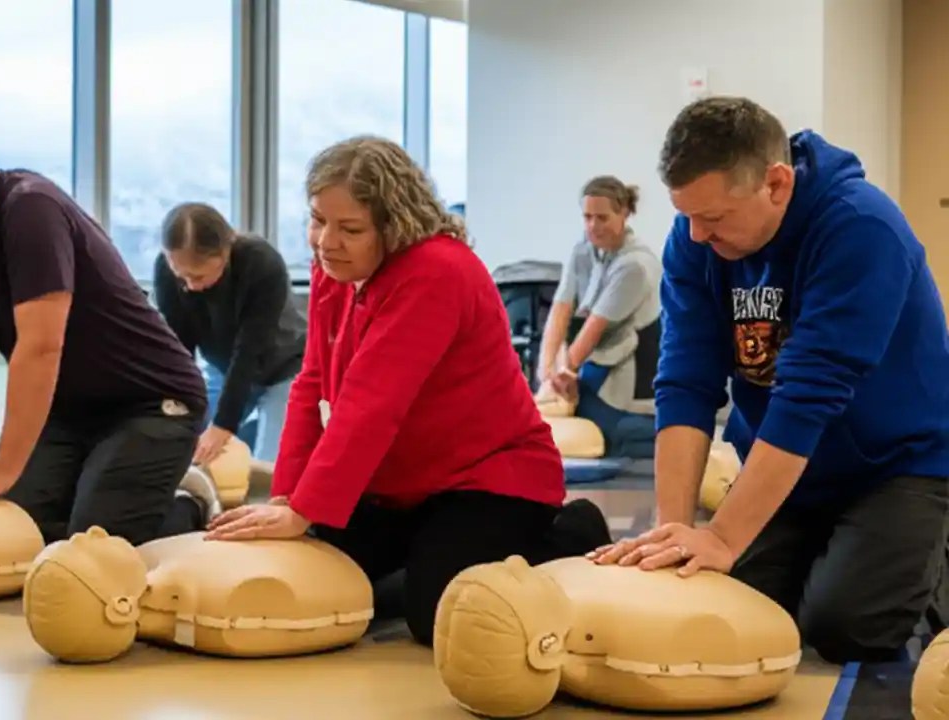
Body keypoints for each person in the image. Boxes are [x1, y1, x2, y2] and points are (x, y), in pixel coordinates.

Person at [205, 136, 612, 645]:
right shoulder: (337, 267)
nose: (326, 240)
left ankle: (569, 532)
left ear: (393, 226)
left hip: (488, 479)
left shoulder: (437, 271)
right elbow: (312, 385)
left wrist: (305, 510)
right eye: (317, 220)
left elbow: (372, 401)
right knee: (313, 576)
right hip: (400, 485)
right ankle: (422, 558)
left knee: (438, 614)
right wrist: (289, 499)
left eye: (349, 228)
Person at [590, 96, 949, 664]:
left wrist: (725, 538)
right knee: (725, 604)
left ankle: (934, 551)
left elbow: (808, 395)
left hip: (898, 466)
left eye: (713, 218)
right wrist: (675, 533)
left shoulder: (860, 227)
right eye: (685, 215)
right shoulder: (694, 240)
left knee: (846, 628)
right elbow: (685, 381)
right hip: (791, 473)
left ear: (776, 184)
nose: (696, 235)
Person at [0, 121, 217, 546]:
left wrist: (3, 466)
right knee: (16, 528)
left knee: (90, 540)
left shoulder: (30, 208)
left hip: (151, 403)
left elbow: (40, 347)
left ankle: (189, 501)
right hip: (71, 410)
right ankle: (119, 486)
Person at [153, 202, 306, 464]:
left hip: (284, 368)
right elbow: (179, 351)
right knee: (190, 451)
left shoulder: (262, 264)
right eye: (182, 276)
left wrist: (223, 425)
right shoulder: (167, 271)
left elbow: (249, 351)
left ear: (225, 253)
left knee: (270, 467)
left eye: (199, 277)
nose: (190, 286)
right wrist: (179, 411)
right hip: (222, 370)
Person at [538, 176, 662, 458]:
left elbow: (594, 328)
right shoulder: (583, 249)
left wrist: (564, 373)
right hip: (598, 361)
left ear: (624, 213)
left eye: (603, 218)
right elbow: (561, 307)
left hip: (631, 371)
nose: (593, 226)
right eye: (587, 217)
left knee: (612, 435)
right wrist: (545, 370)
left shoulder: (636, 266)